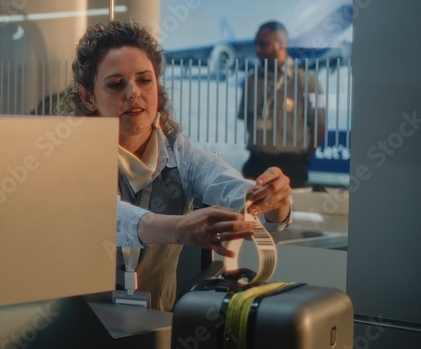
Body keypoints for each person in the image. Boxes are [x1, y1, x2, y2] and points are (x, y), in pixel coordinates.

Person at [57, 20, 292, 311]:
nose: (133, 93)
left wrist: (268, 197)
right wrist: (179, 228)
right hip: (75, 334)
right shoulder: (70, 156)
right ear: (87, 96)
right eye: (116, 84)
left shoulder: (179, 152)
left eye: (145, 80)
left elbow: (228, 186)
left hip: (157, 332)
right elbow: (105, 215)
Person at [239, 21, 326, 188]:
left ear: (282, 44)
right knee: (249, 212)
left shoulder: (307, 82)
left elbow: (319, 126)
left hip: (289, 165)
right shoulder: (251, 81)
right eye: (256, 44)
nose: (258, 49)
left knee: (287, 212)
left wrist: (304, 157)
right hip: (256, 162)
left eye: (264, 44)